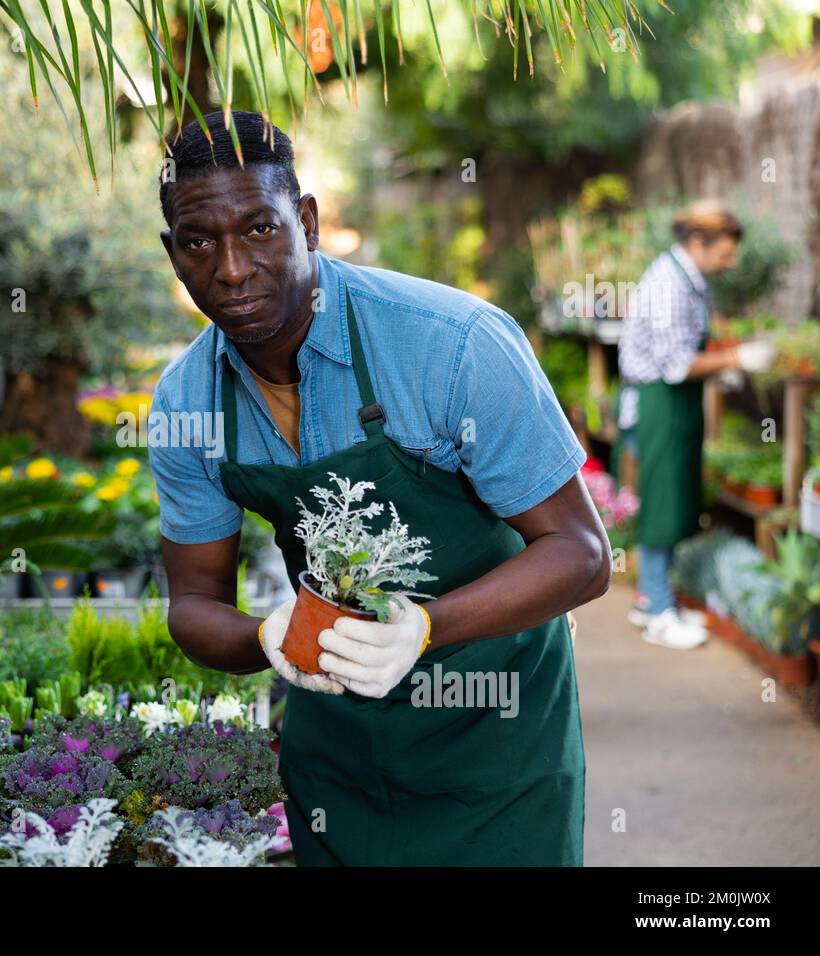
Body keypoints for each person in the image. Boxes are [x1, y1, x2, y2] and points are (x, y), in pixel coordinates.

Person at [147, 111, 611, 866]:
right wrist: (265, 640)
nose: (230, 268)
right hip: (341, 751)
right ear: (174, 255)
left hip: (497, 727)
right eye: (200, 242)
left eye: (260, 229)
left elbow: (583, 555)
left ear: (307, 222)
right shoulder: (186, 404)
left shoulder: (451, 344)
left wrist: (421, 630)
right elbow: (193, 606)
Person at [617, 201, 774, 650]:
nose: (731, 262)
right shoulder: (669, 284)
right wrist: (735, 358)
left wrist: (720, 364)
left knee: (673, 498)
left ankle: (657, 601)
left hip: (675, 403)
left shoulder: (691, 280)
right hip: (658, 402)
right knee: (662, 504)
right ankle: (657, 611)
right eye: (725, 253)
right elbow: (673, 365)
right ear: (698, 243)